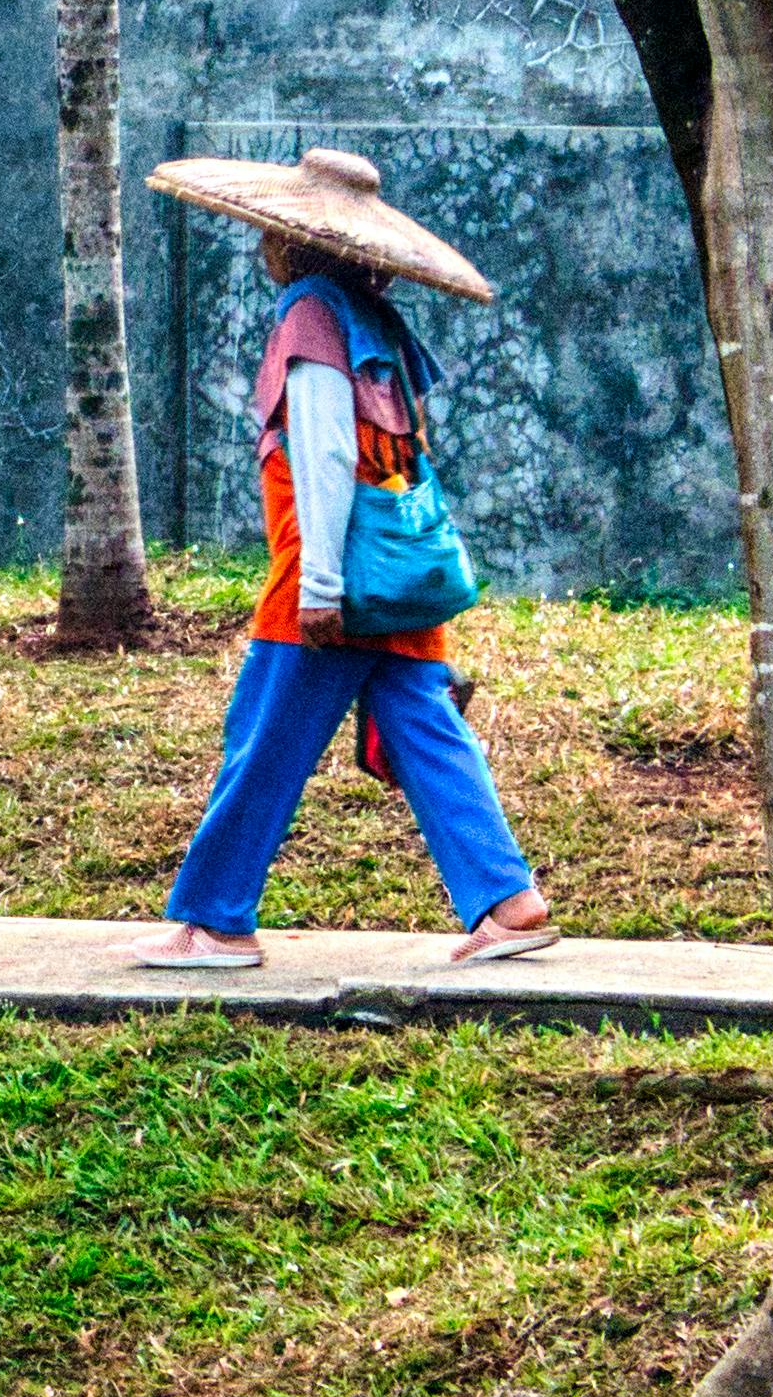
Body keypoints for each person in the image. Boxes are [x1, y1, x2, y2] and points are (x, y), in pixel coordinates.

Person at [128, 145, 558, 972]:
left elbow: (325, 459)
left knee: (264, 738)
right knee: (426, 729)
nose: (264, 246)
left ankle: (216, 922)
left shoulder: (308, 315)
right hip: (401, 574)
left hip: (331, 576)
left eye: (270, 233)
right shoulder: (376, 320)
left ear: (293, 241)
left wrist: (321, 586)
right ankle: (510, 901)